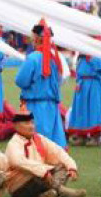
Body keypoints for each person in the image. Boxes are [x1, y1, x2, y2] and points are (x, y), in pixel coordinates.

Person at [4, 109, 85, 197]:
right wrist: (43, 172)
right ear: (16, 126)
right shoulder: (14, 143)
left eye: (32, 123)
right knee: (35, 173)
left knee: (63, 166)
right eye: (26, 123)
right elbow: (18, 161)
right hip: (19, 187)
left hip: (40, 178)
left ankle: (51, 193)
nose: (31, 126)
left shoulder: (38, 138)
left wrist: (72, 167)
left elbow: (58, 152)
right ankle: (62, 191)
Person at [15, 19, 66, 147]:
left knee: (38, 141)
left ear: (37, 39)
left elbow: (21, 80)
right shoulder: (56, 58)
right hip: (52, 105)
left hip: (35, 106)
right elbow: (61, 79)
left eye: (32, 37)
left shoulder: (33, 58)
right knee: (53, 142)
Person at [67, 53, 101, 146]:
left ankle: (95, 136)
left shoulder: (98, 54)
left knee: (94, 109)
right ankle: (81, 135)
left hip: (94, 83)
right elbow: (78, 70)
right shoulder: (81, 56)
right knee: (81, 109)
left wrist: (91, 57)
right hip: (82, 84)